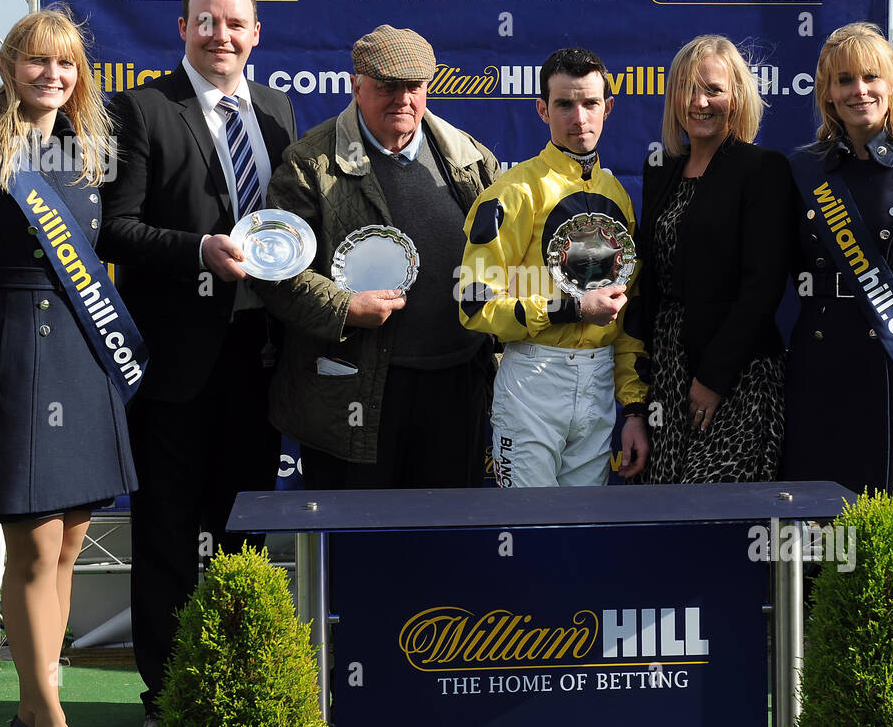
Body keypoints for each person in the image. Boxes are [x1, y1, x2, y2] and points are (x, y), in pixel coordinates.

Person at [0, 8, 139, 727]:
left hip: (81, 354)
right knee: (34, 545)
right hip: (12, 354)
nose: (53, 74)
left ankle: (28, 709)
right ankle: (51, 717)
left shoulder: (87, 152)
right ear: (11, 66)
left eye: (66, 63)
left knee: (71, 541)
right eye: (38, 60)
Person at [100, 0, 297, 727]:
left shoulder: (277, 112)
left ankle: (238, 689)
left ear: (256, 35)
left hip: (258, 360)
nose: (221, 35)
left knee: (245, 533)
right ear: (182, 28)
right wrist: (198, 250)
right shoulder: (141, 109)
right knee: (168, 537)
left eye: (235, 23)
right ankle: (164, 699)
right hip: (175, 366)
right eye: (206, 21)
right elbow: (115, 229)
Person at [255, 25, 499, 489]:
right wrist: (345, 307)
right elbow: (276, 273)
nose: (402, 99)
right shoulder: (310, 163)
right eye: (387, 86)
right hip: (356, 393)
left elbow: (502, 258)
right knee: (357, 529)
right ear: (356, 85)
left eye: (414, 86)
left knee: (445, 527)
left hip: (456, 387)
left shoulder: (470, 159)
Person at [783, 22, 893, 517]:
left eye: (870, 77)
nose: (858, 90)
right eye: (844, 80)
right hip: (821, 356)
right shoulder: (803, 169)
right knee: (820, 510)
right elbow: (792, 267)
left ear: (891, 84)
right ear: (827, 93)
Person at [458, 47, 650, 487]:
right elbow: (473, 305)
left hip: (600, 382)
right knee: (527, 524)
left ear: (608, 108)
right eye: (564, 104)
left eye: (590, 103)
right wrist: (572, 309)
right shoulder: (512, 192)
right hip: (533, 378)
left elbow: (630, 312)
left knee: (584, 524)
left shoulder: (618, 196)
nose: (579, 118)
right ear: (543, 110)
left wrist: (635, 407)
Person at [637, 36, 793, 485]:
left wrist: (713, 378)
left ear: (737, 97)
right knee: (661, 504)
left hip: (735, 375)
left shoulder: (762, 169)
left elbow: (763, 286)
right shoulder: (660, 169)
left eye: (713, 90)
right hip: (666, 373)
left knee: (716, 508)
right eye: (688, 89)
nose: (699, 102)